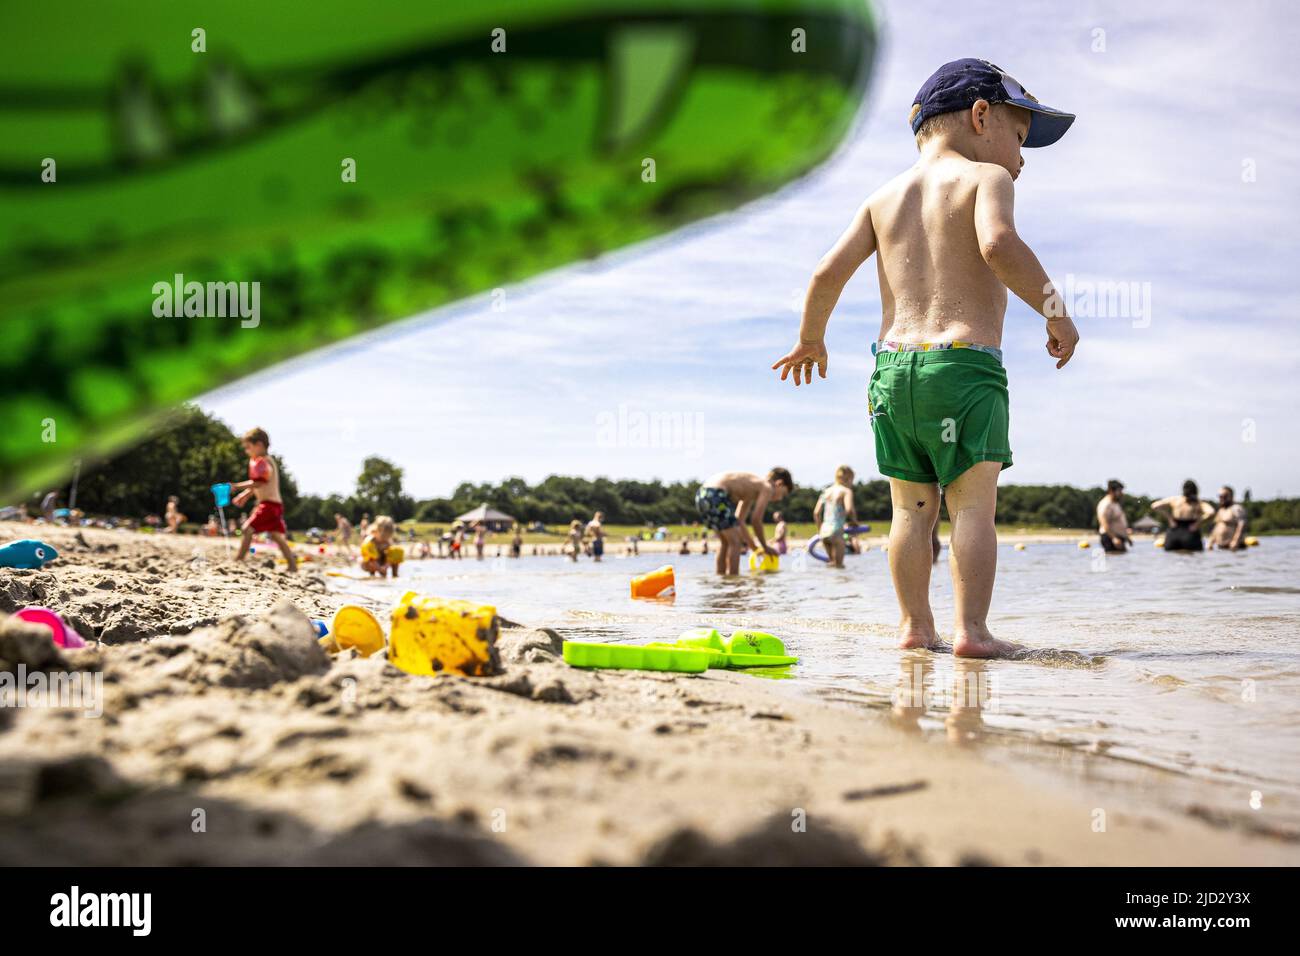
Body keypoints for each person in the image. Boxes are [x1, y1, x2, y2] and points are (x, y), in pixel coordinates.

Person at [773, 59, 1078, 656]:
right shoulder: (987, 180)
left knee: (910, 511)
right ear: (981, 115)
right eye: (1019, 138)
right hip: (962, 368)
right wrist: (1055, 310)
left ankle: (915, 628)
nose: (1022, 157)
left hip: (891, 374)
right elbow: (998, 244)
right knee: (971, 509)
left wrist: (812, 337)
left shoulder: (882, 197)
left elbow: (824, 272)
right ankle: (973, 632)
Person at [695, 469, 792, 575]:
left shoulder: (751, 487)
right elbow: (756, 520)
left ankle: (722, 581)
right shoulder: (766, 487)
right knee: (735, 542)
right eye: (783, 494)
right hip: (716, 494)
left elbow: (739, 520)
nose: (779, 499)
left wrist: (754, 548)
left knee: (725, 542)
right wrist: (765, 546)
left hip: (703, 494)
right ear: (779, 483)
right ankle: (734, 583)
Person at [230, 427, 296, 571]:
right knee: (277, 536)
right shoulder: (267, 461)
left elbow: (259, 482)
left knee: (247, 529)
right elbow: (258, 485)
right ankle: (292, 565)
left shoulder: (263, 462)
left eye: (248, 447)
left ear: (259, 445)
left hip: (268, 505)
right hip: (276, 505)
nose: (246, 451)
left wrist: (236, 486)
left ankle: (239, 559)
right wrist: (245, 495)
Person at [1151, 480, 1215, 552]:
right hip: (1190, 531)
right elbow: (1211, 512)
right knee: (1194, 556)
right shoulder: (1198, 502)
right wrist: (1198, 523)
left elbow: (1154, 505)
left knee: (1171, 557)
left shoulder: (1175, 499)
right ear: (1195, 491)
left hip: (1174, 530)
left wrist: (1169, 518)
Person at [813, 466, 858, 568]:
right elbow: (849, 509)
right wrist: (854, 522)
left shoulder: (826, 491)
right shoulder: (846, 491)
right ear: (849, 478)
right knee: (839, 567)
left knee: (832, 565)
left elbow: (816, 513)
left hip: (824, 532)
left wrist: (819, 529)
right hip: (836, 531)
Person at [1096, 479, 1132, 553]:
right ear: (1111, 491)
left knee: (1121, 561)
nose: (1122, 493)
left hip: (1118, 537)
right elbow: (1104, 522)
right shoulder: (1105, 504)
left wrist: (1127, 537)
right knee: (1113, 562)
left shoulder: (1115, 503)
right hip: (1110, 538)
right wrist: (1114, 538)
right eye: (1120, 491)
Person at [1209, 485, 1249, 551]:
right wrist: (1211, 542)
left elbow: (1242, 524)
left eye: (1224, 496)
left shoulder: (1236, 508)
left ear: (1231, 496)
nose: (1222, 498)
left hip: (1235, 548)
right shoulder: (1220, 511)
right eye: (1220, 496)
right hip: (1222, 548)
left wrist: (1235, 541)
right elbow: (1216, 528)